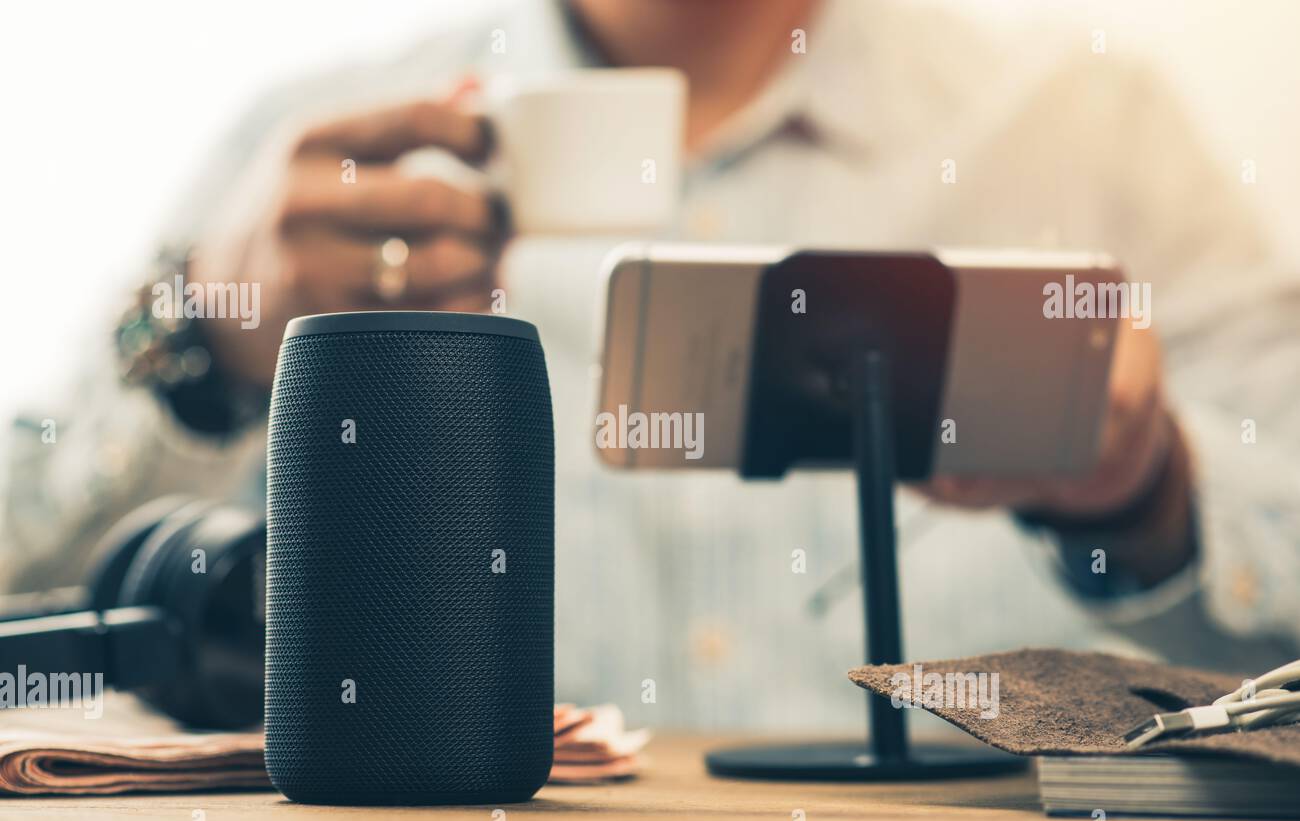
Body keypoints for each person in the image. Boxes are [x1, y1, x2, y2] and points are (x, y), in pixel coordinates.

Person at [3, 0, 1298, 731]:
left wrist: (1150, 497)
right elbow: (27, 608)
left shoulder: (1091, 127)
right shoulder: (307, 161)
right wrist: (197, 342)